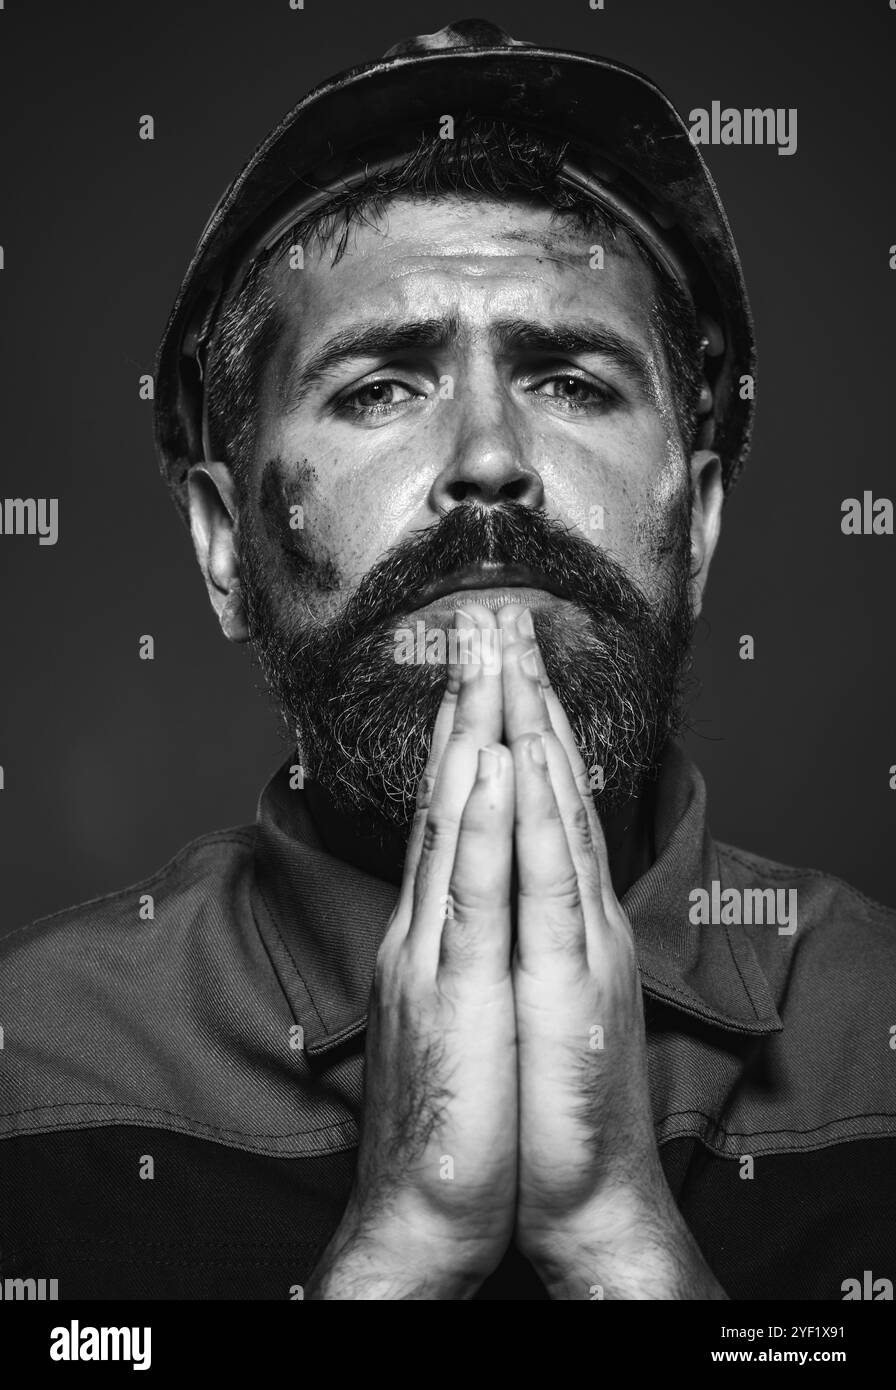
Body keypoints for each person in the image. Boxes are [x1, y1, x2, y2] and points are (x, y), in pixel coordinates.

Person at [1, 19, 894, 1301]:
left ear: (693, 528)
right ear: (222, 548)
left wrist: (615, 1247)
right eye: (379, 387)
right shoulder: (30, 1071)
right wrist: (402, 1250)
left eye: (570, 380)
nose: (487, 457)